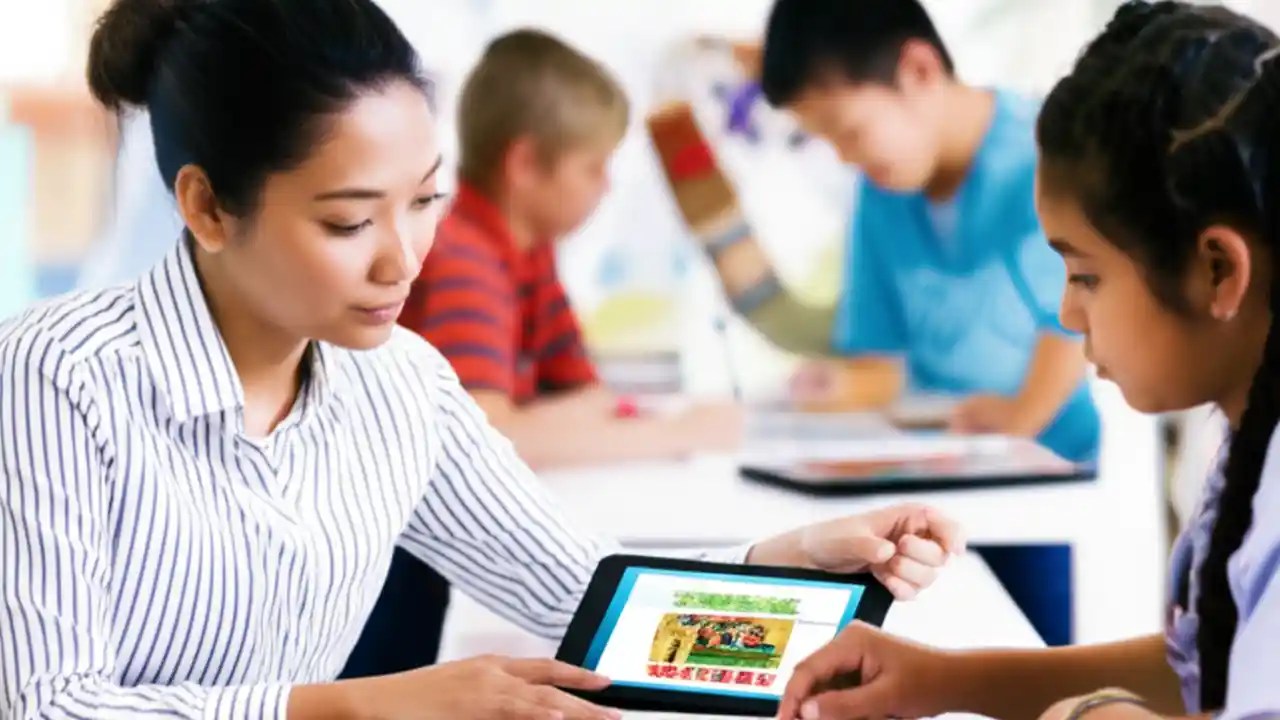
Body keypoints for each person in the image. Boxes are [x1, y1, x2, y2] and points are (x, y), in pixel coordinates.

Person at [0, 1, 964, 718]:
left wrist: (788, 566)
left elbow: (581, 596)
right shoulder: (57, 377)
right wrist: (360, 705)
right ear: (207, 207)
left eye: (423, 203)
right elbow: (43, 703)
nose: (403, 258)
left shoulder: (402, 386)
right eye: (348, 220)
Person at [775, 4, 1280, 720]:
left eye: (1085, 277)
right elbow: (1203, 668)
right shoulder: (1249, 448)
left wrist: (1091, 712)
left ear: (1216, 271)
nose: (1067, 316)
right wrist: (935, 679)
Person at [647, 0, 1100, 463]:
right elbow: (878, 357)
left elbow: (1073, 330)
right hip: (938, 461)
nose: (843, 158)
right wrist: (834, 387)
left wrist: (1008, 432)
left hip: (1051, 470)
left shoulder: (1048, 158)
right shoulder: (882, 192)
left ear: (919, 71)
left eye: (850, 132)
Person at [398, 29, 743, 469]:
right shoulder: (464, 259)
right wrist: (678, 433)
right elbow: (479, 438)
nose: (606, 185)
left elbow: (587, 398)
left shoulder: (531, 255)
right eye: (592, 168)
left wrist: (556, 419)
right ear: (523, 164)